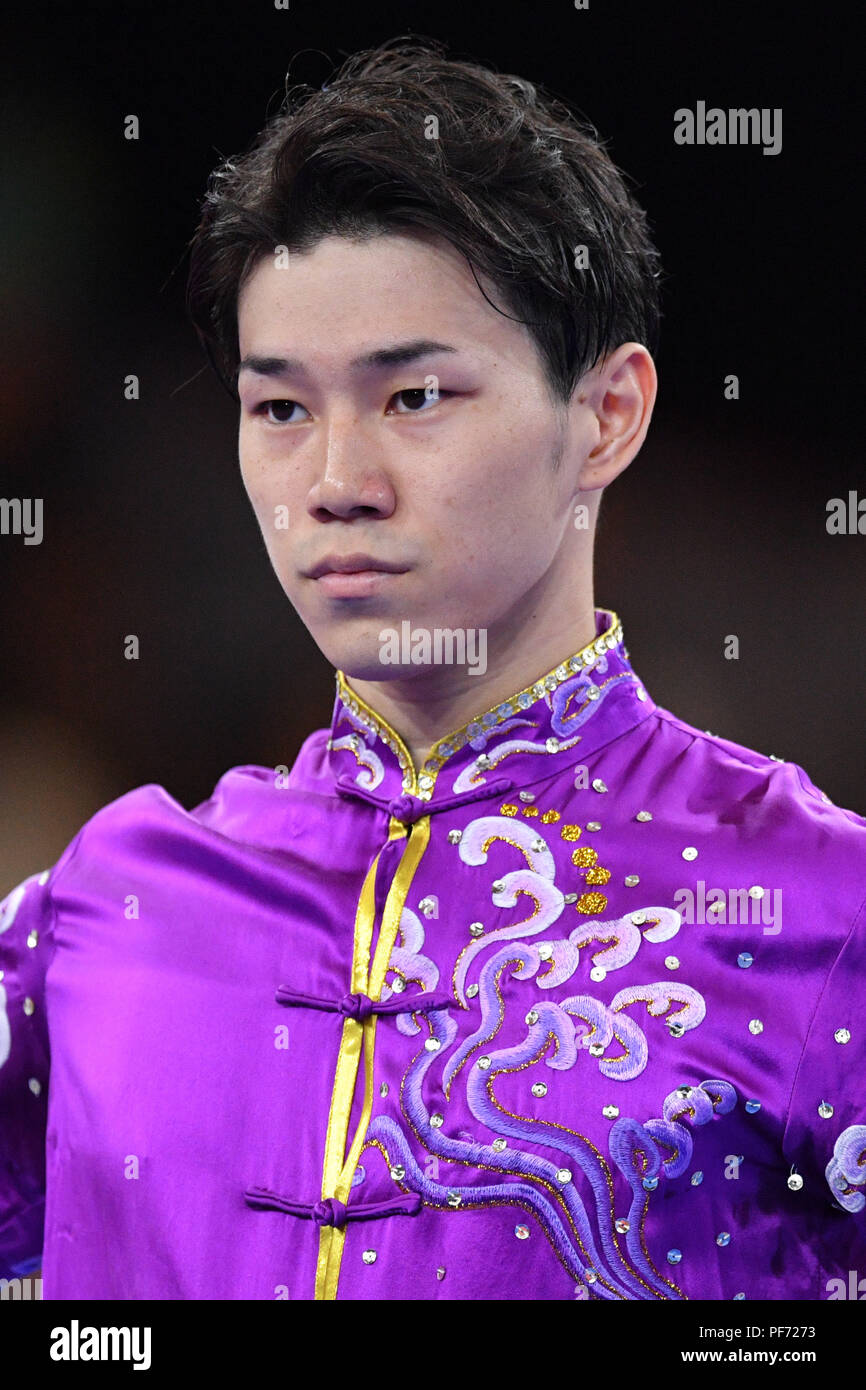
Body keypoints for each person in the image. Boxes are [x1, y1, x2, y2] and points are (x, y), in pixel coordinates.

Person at [2, 34, 864, 1303]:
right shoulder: (93, 920)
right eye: (279, 409)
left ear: (605, 414)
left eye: (413, 397)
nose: (336, 485)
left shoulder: (820, 912)